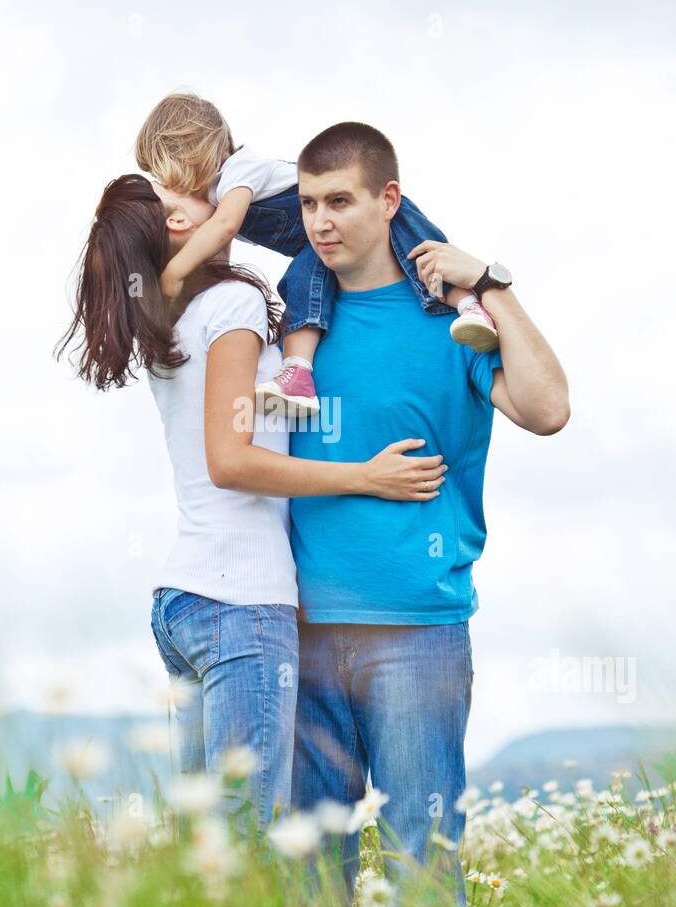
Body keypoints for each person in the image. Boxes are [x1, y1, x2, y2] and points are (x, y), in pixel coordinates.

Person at [56, 173, 448, 834]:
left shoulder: (172, 317)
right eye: (183, 191)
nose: (212, 187)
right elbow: (231, 461)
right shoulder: (232, 304)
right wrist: (366, 477)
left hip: (189, 601)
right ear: (178, 222)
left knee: (206, 844)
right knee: (250, 844)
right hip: (239, 603)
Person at [284, 121, 570, 907]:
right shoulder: (293, 328)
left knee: (422, 859)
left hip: (419, 633)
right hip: (298, 630)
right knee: (309, 874)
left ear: (389, 202)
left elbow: (548, 409)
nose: (321, 221)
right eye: (308, 203)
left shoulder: (457, 326)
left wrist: (494, 285)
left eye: (340, 200)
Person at [135, 92, 499, 416]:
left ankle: (471, 306)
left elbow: (226, 226)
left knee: (424, 260)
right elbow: (218, 261)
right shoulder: (216, 201)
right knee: (299, 289)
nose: (165, 184)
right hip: (318, 248)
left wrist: (174, 273)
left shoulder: (237, 171)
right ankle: (298, 373)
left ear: (195, 151)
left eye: (166, 173)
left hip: (378, 220)